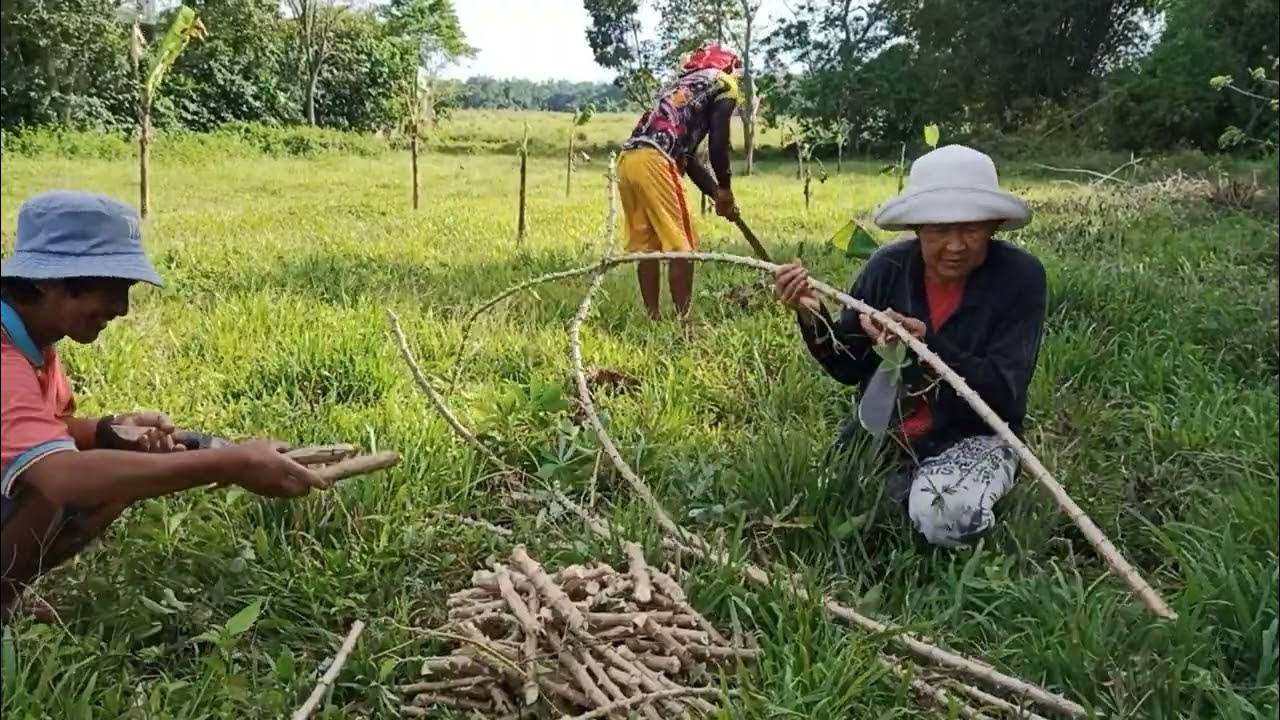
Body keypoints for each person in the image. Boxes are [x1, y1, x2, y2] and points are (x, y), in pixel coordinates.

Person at [1, 190, 326, 624]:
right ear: (46, 281)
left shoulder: (35, 340)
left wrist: (105, 430)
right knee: (52, 488)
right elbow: (58, 476)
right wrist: (229, 465)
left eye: (127, 289)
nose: (121, 308)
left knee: (113, 477)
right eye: (110, 289)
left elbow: (44, 428)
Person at [773, 145, 1047, 548]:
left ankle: (922, 493)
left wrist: (926, 349)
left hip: (976, 433)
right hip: (887, 431)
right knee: (829, 495)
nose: (955, 245)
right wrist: (813, 315)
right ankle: (897, 485)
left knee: (944, 515)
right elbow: (847, 367)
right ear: (917, 229)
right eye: (938, 230)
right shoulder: (888, 267)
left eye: (971, 229)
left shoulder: (1021, 277)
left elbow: (1005, 394)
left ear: (993, 225)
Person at [618, 42, 743, 321]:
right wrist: (725, 187)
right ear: (729, 66)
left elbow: (689, 158)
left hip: (629, 160)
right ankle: (683, 325)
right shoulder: (723, 83)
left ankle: (653, 320)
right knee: (682, 248)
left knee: (647, 248)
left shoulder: (679, 87)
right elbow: (719, 144)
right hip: (657, 160)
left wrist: (717, 194)